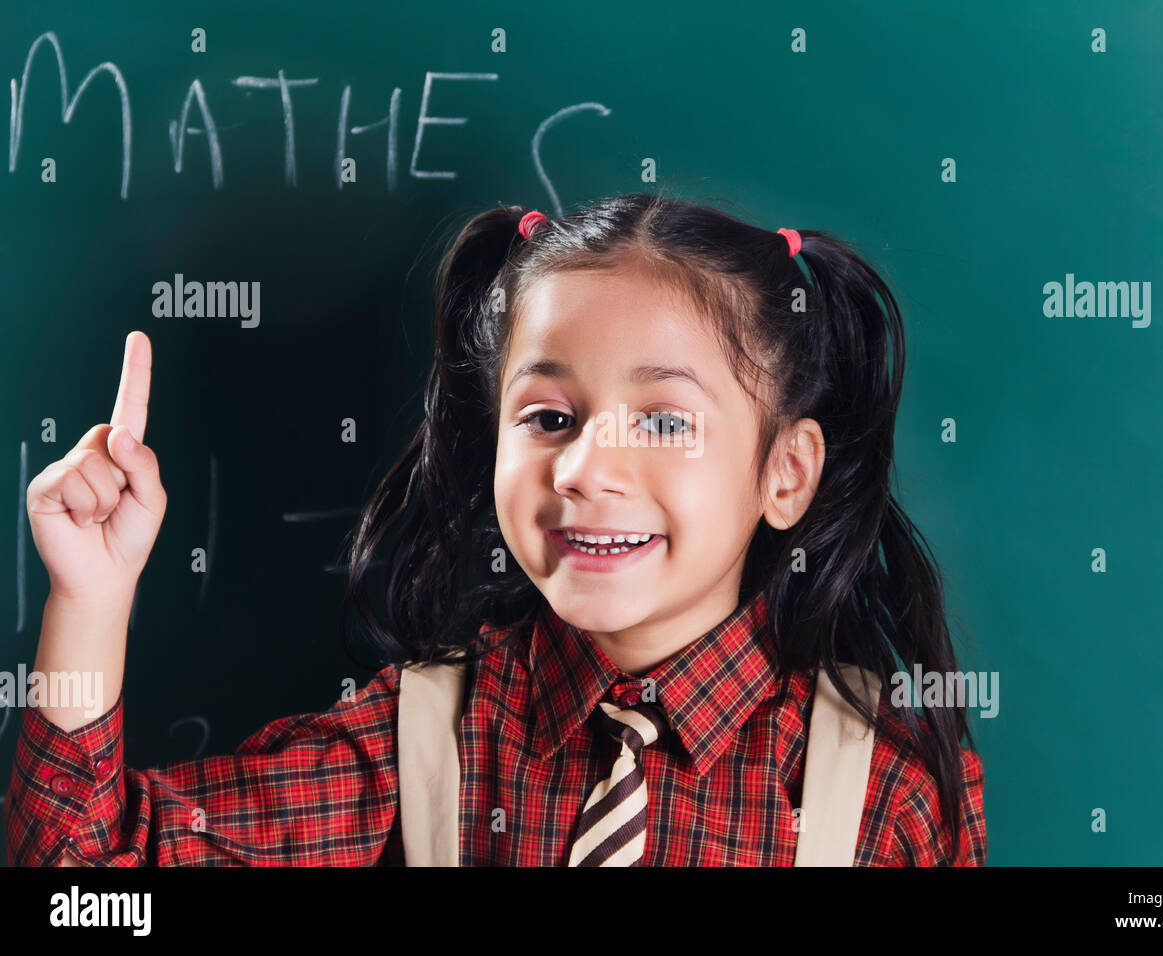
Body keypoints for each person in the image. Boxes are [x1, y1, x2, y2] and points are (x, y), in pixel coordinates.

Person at [7, 193, 986, 866]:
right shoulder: (417, 738)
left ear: (784, 471)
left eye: (663, 420)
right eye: (548, 418)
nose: (586, 468)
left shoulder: (881, 788)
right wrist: (91, 599)